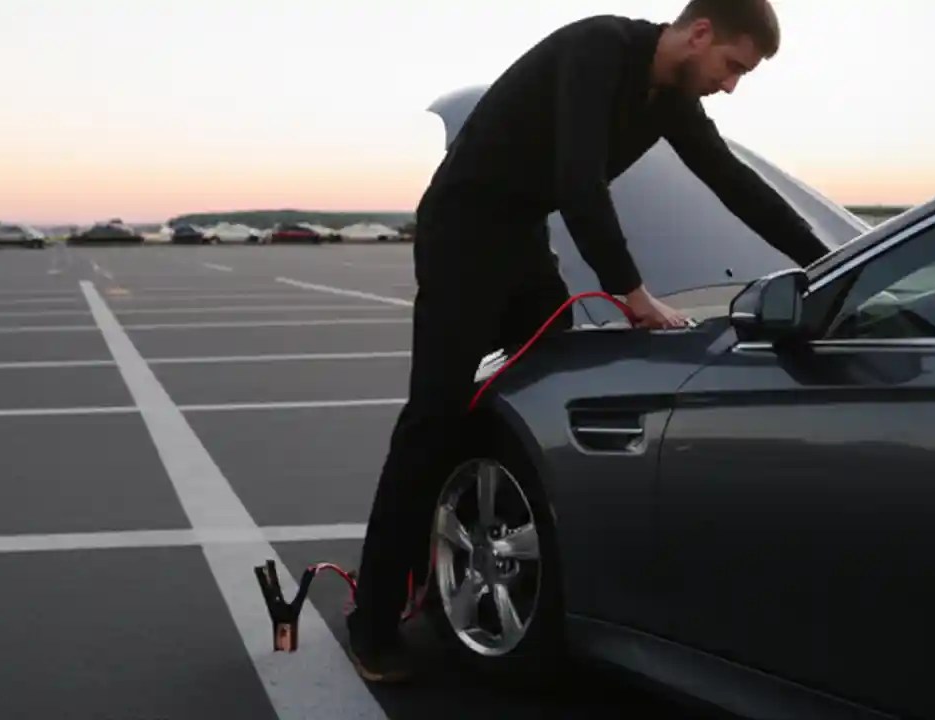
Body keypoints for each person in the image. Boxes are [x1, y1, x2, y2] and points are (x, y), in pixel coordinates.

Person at [346, 0, 832, 683]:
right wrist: (633, 294)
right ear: (700, 33)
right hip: (462, 229)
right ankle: (371, 625)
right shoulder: (598, 49)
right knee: (433, 417)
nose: (729, 86)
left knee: (547, 386)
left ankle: (467, 543)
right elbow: (578, 182)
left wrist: (832, 268)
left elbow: (734, 184)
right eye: (732, 67)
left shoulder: (671, 100)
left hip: (521, 238)